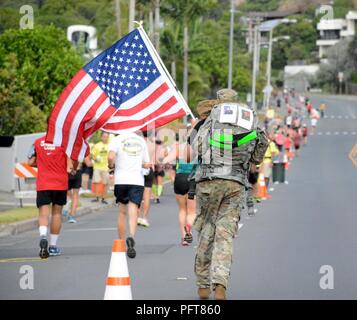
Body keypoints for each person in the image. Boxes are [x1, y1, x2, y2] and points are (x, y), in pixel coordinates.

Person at [189, 89, 269, 300]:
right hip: (235, 183)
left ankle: (203, 286)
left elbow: (197, 146)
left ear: (219, 100)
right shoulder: (247, 118)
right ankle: (220, 284)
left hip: (209, 180)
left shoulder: (214, 116)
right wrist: (253, 159)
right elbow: (262, 142)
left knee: (207, 231)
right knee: (225, 236)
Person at [28, 136, 77, 258]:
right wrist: (72, 169)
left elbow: (30, 162)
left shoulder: (37, 142)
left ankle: (43, 236)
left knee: (43, 214)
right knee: (56, 214)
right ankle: (53, 246)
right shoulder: (65, 142)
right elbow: (70, 166)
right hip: (60, 183)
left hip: (44, 183)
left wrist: (43, 164)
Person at [108, 131, 151, 259]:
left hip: (121, 180)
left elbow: (111, 157)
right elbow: (147, 164)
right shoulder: (141, 141)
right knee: (133, 211)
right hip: (136, 180)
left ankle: (121, 243)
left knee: (122, 212)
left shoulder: (117, 140)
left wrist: (111, 165)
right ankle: (131, 236)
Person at [163, 133, 196, 246]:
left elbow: (166, 160)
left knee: (182, 209)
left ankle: (183, 237)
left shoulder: (178, 148)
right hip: (193, 179)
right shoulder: (199, 147)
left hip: (180, 178)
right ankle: (189, 230)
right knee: (192, 212)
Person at [137, 131, 156, 228]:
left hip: (139, 169)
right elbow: (154, 159)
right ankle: (144, 218)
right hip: (149, 169)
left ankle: (137, 217)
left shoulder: (138, 143)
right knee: (147, 195)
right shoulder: (152, 144)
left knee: (137, 194)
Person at [91, 132, 110, 204]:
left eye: (107, 137)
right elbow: (92, 155)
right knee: (96, 182)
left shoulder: (110, 146)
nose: (105, 138)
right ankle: (96, 197)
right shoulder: (97, 145)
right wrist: (96, 159)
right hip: (97, 167)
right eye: (104, 137)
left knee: (105, 183)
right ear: (101, 137)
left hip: (106, 167)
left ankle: (103, 198)